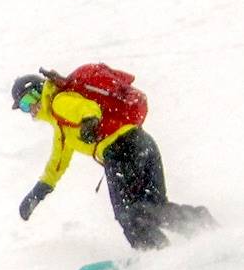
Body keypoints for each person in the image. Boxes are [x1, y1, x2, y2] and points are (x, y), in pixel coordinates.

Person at [12, 69, 212, 251]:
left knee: (128, 214)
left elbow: (89, 109)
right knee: (154, 207)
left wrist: (90, 122)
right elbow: (57, 163)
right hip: (142, 143)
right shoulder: (62, 129)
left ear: (39, 91)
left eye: (28, 100)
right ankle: (204, 227)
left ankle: (156, 254)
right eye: (23, 106)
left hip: (122, 151)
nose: (30, 109)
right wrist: (37, 193)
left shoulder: (58, 102)